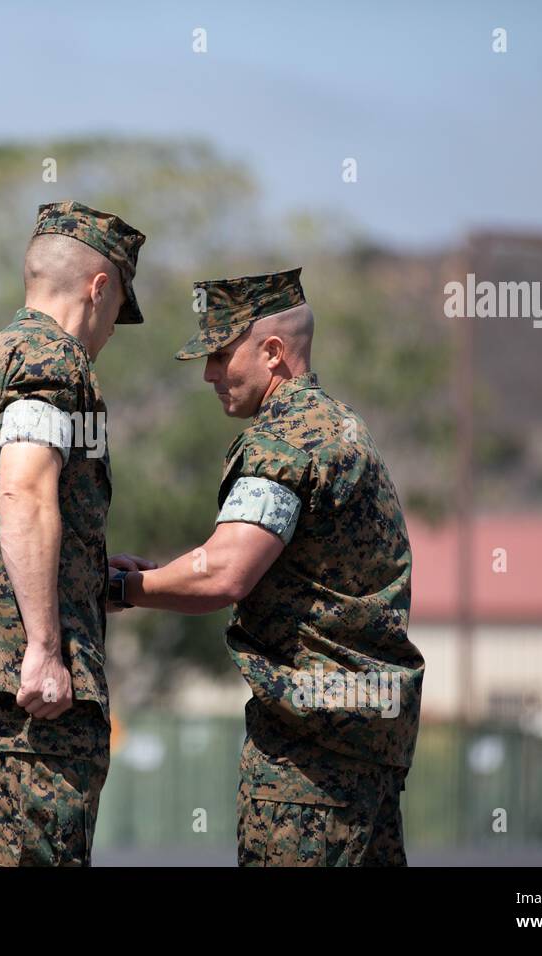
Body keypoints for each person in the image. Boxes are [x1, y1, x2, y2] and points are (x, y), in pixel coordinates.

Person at [114, 268, 425, 866]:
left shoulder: (286, 442)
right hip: (365, 739)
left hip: (310, 762)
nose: (209, 374)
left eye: (220, 356)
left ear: (274, 352)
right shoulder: (342, 427)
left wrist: (125, 587)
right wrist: (160, 574)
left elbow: (225, 572)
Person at [0, 200, 148, 866]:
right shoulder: (53, 360)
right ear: (99, 287)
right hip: (23, 684)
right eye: (117, 309)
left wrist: (74, 561)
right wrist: (45, 645)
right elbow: (22, 487)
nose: (108, 332)